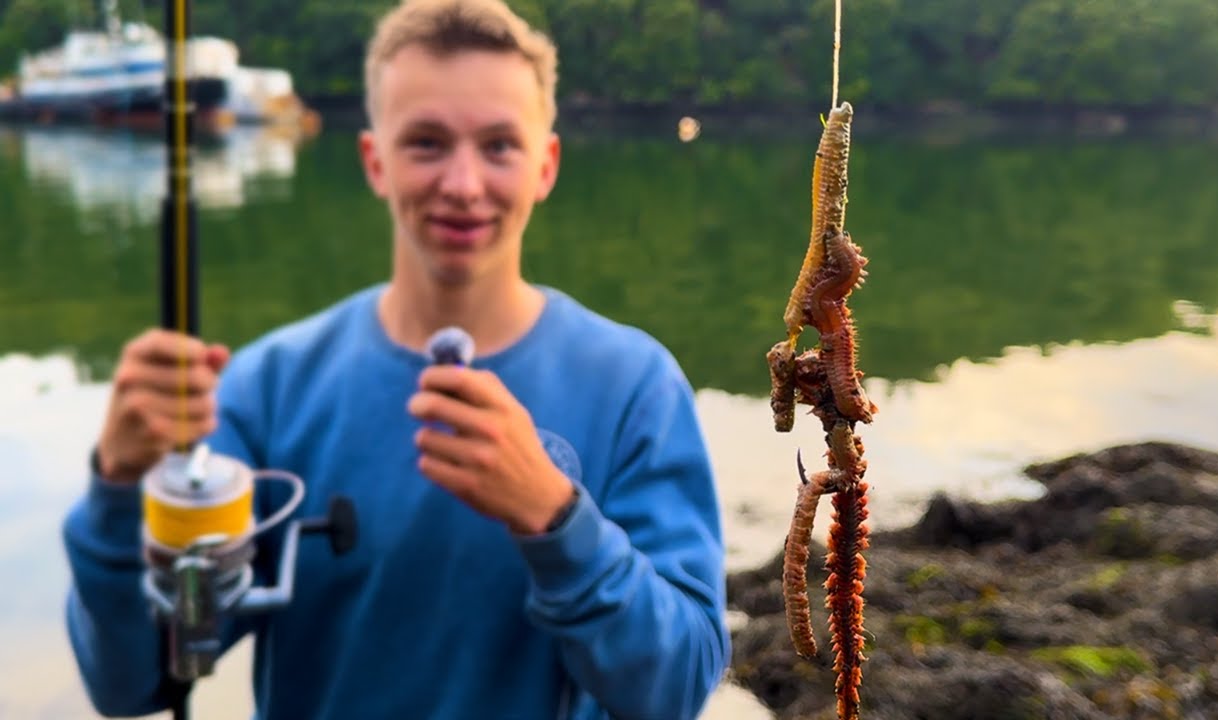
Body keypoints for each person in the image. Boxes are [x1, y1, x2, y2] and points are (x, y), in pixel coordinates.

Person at [60, 1, 731, 718]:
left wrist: (556, 518)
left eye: (500, 145)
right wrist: (115, 490)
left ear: (547, 164)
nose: (464, 184)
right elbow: (133, 681)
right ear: (375, 162)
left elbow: (677, 688)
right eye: (427, 143)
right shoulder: (269, 387)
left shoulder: (634, 386)